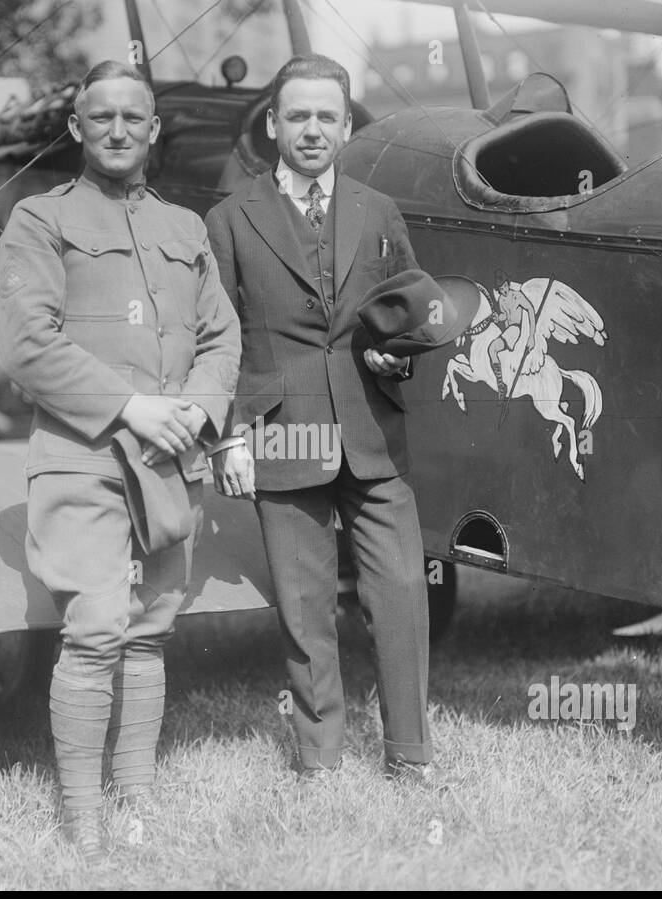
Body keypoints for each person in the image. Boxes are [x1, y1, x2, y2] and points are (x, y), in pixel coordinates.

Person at [0, 60, 240, 861]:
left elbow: (220, 337)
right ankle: (82, 819)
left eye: (133, 118)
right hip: (82, 457)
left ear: (154, 129)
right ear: (76, 128)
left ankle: (135, 802)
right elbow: (29, 345)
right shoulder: (38, 220)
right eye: (100, 118)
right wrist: (131, 408)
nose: (118, 131)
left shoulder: (186, 229)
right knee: (97, 628)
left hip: (169, 461)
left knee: (150, 631)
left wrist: (199, 414)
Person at [205, 54, 439, 784]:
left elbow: (410, 317)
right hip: (283, 431)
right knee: (306, 608)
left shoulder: (379, 211)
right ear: (273, 125)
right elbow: (220, 338)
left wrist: (398, 362)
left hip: (373, 433)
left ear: (345, 126)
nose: (312, 130)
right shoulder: (228, 220)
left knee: (401, 591)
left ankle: (409, 753)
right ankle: (323, 761)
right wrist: (232, 434)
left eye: (327, 117)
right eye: (297, 116)